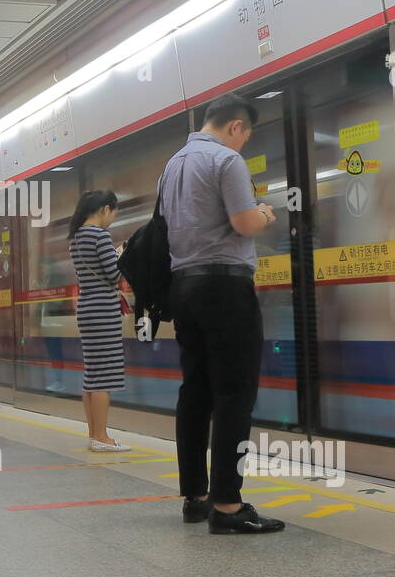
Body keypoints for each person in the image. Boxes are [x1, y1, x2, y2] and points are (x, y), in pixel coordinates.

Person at [159, 94, 284, 534]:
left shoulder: (172, 164)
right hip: (225, 285)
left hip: (184, 287)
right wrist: (264, 214)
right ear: (236, 127)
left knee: (196, 391)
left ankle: (195, 496)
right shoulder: (225, 161)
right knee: (234, 392)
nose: (244, 143)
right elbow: (243, 223)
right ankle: (228, 506)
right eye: (246, 135)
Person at [69, 190, 132, 452]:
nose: (112, 219)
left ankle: (94, 435)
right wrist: (121, 254)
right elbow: (113, 273)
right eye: (113, 213)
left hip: (86, 306)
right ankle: (102, 437)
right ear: (105, 209)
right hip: (103, 308)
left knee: (92, 374)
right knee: (104, 376)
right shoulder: (99, 235)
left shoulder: (76, 238)